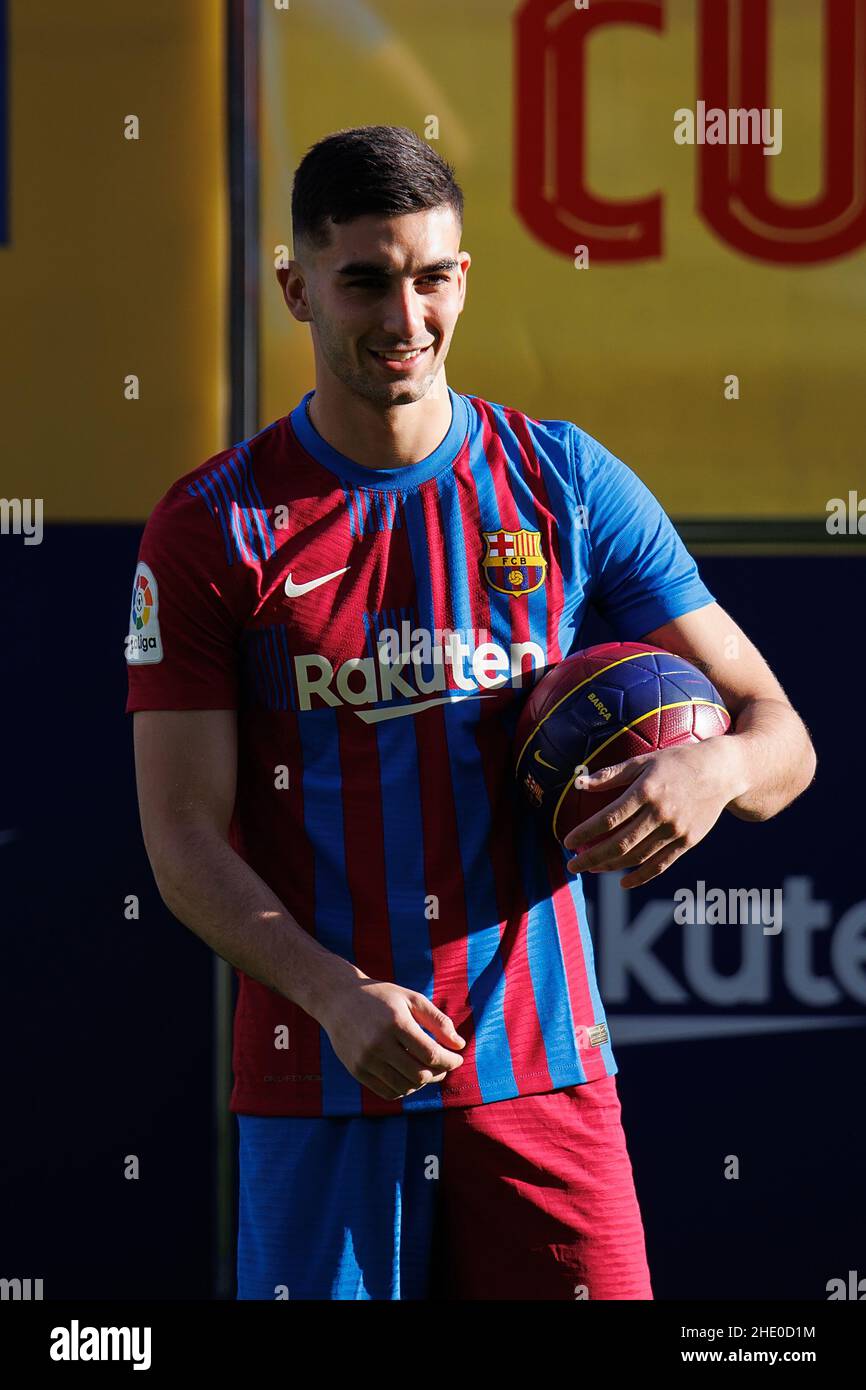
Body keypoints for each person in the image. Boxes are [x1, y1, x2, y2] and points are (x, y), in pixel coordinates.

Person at [125, 124, 816, 1301]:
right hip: (319, 1068)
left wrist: (704, 774)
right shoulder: (212, 528)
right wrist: (333, 993)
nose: (405, 319)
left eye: (432, 277)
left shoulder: (563, 480)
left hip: (543, 1076)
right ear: (296, 286)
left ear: (464, 277)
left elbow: (777, 732)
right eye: (364, 281)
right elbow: (182, 835)